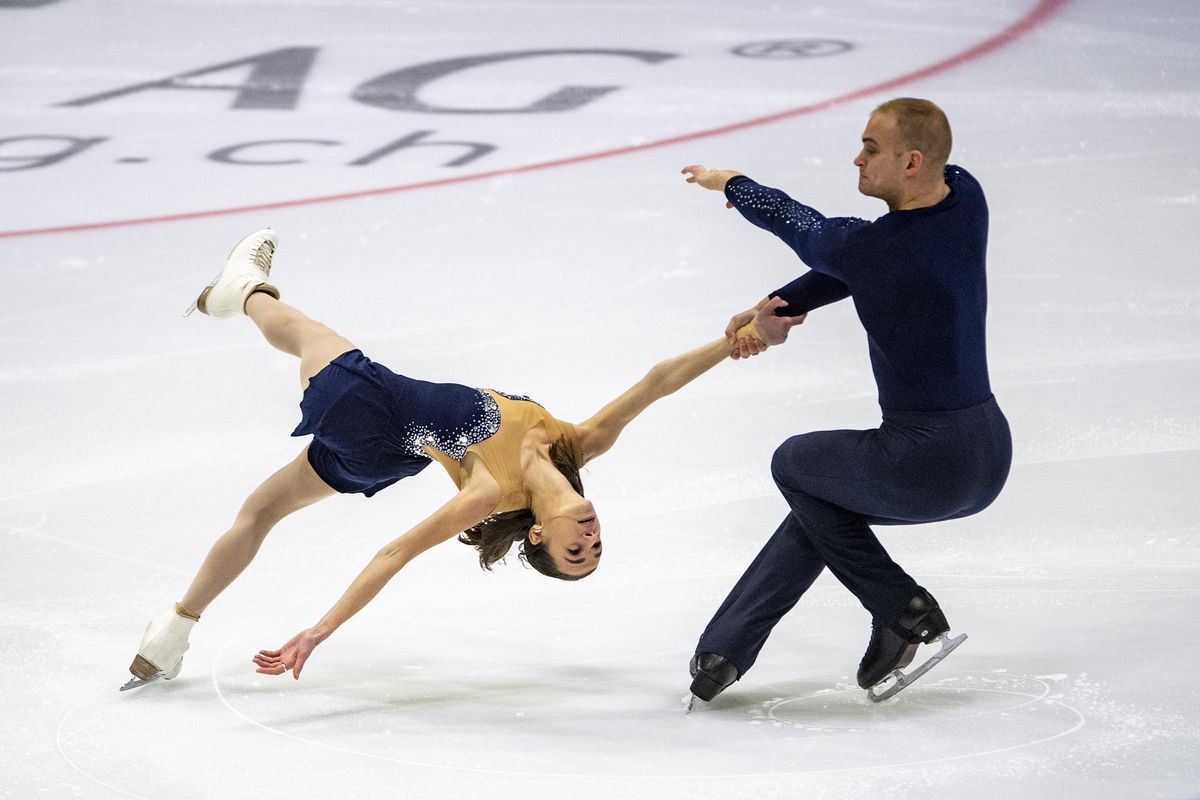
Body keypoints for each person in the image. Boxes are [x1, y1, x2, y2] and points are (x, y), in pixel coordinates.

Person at [124, 228, 747, 688]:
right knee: (260, 512)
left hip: (367, 403)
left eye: (574, 552)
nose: (590, 537)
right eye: (597, 547)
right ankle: (171, 635)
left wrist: (318, 631)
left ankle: (245, 289)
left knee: (305, 334)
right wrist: (732, 341)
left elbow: (393, 553)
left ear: (537, 533)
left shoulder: (488, 493)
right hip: (389, 457)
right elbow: (659, 383)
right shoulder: (577, 444)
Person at [680, 97, 1012, 703]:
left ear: (912, 162)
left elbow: (795, 221)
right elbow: (862, 265)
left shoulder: (873, 247)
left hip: (927, 460)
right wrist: (777, 305)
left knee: (794, 463)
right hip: (988, 452)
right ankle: (724, 652)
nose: (856, 159)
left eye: (872, 149)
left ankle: (903, 608)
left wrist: (731, 182)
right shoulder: (965, 198)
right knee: (823, 504)